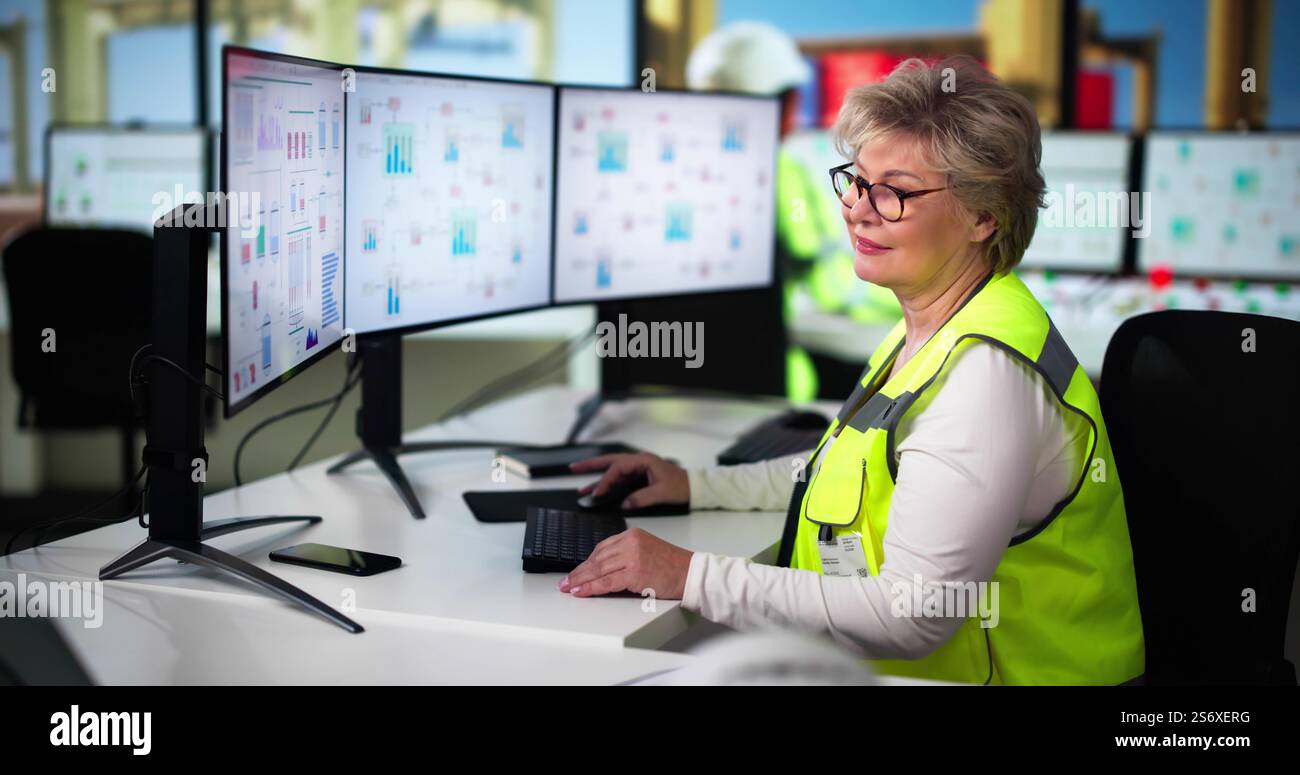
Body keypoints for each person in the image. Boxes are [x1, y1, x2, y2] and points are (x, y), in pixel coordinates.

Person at [559, 56, 1145, 686]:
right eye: (856, 180)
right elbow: (844, 479)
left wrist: (689, 574)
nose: (858, 210)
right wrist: (698, 486)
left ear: (984, 216)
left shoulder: (984, 374)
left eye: (895, 190)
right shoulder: (927, 326)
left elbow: (912, 615)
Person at [686, 21, 900, 401]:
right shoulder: (777, 167)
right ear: (778, 102)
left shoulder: (682, 166)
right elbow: (817, 264)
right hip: (774, 380)